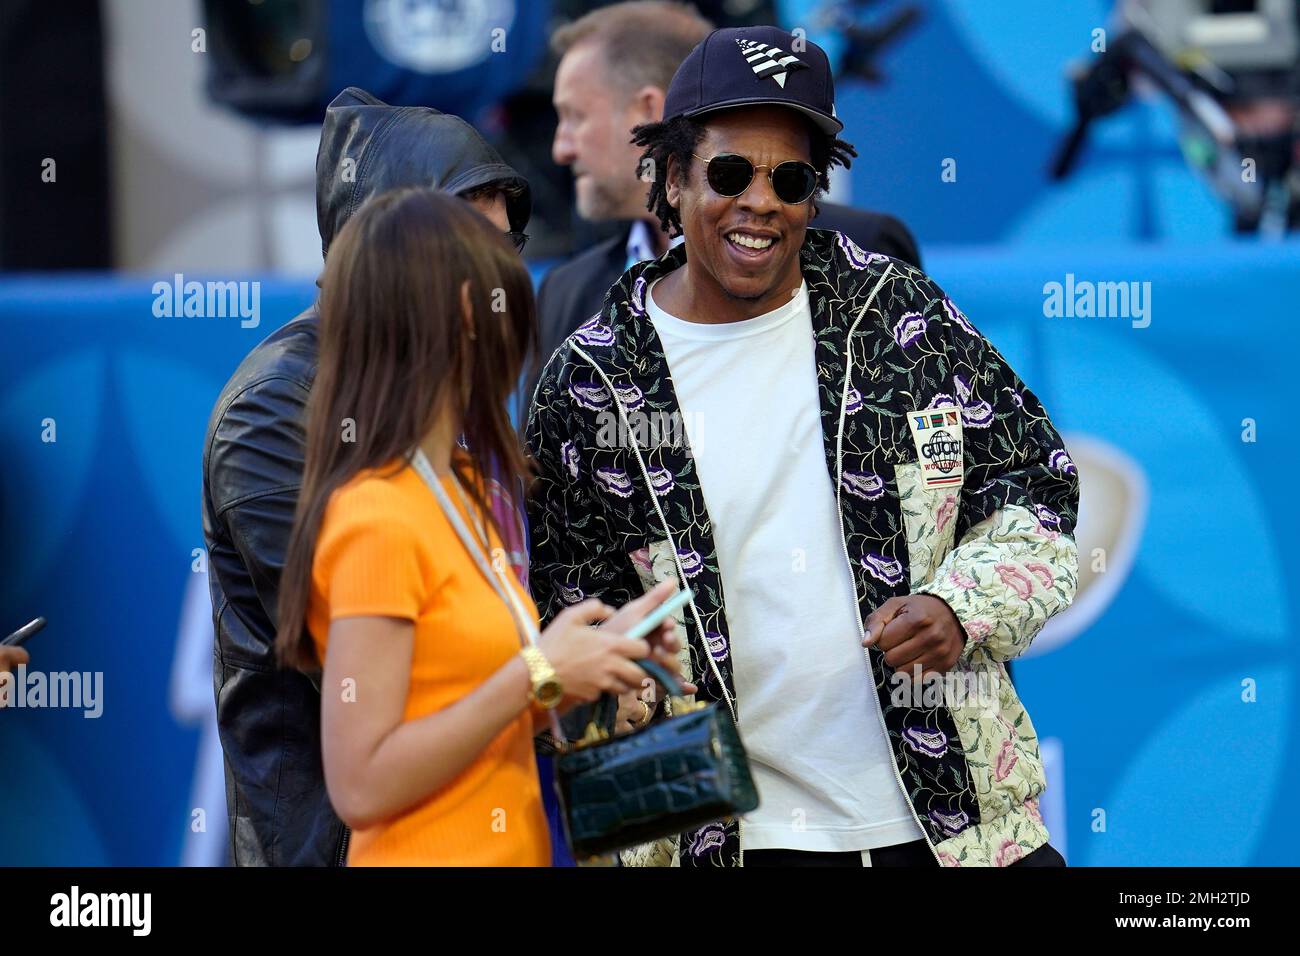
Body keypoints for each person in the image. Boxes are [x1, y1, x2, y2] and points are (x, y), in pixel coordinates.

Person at [525, 26, 1079, 868]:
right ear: (671, 179)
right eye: (728, 173)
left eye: (791, 178)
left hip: (954, 828)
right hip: (727, 840)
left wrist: (958, 609)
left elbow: (1038, 485)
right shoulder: (591, 380)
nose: (762, 201)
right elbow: (568, 621)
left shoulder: (898, 316)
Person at [273, 187, 683, 866]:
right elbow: (361, 783)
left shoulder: (456, 492)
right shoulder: (378, 513)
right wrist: (539, 672)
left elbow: (479, 716)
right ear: (467, 314)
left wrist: (598, 664)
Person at [202, 86, 532, 866]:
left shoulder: (443, 404)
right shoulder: (275, 409)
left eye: (505, 249)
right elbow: (398, 685)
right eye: (468, 259)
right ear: (388, 256)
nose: (494, 288)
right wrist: (548, 672)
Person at [540, 1, 921, 370]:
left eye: (576, 117)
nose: (561, 149)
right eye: (730, 172)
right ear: (671, 177)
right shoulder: (565, 293)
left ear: (648, 110)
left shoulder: (867, 251)